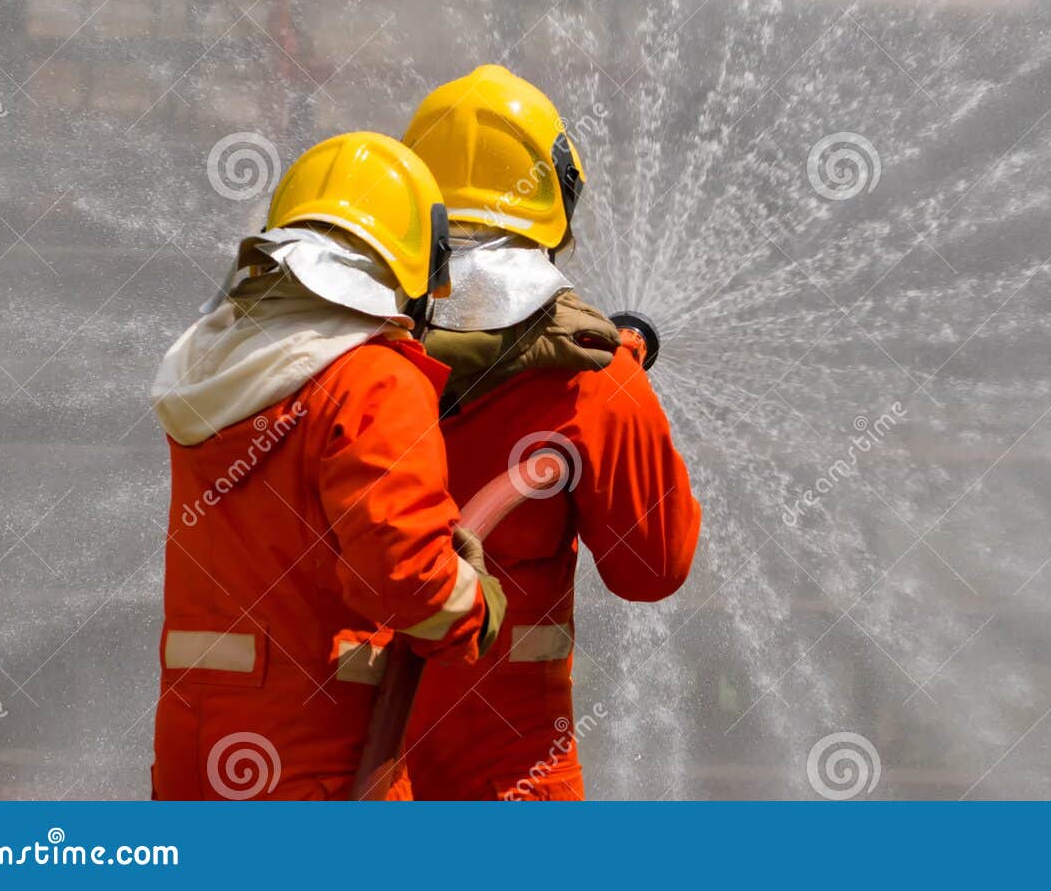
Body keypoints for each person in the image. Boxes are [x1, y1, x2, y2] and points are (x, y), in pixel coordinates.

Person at [149, 131, 506, 801]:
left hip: (190, 748)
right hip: (314, 758)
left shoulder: (213, 366)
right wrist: (473, 603)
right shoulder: (372, 379)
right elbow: (405, 578)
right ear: (405, 270)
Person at [397, 65, 701, 800]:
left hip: (346, 766)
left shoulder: (341, 357)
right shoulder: (594, 378)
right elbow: (650, 569)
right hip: (511, 778)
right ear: (555, 200)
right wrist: (623, 397)